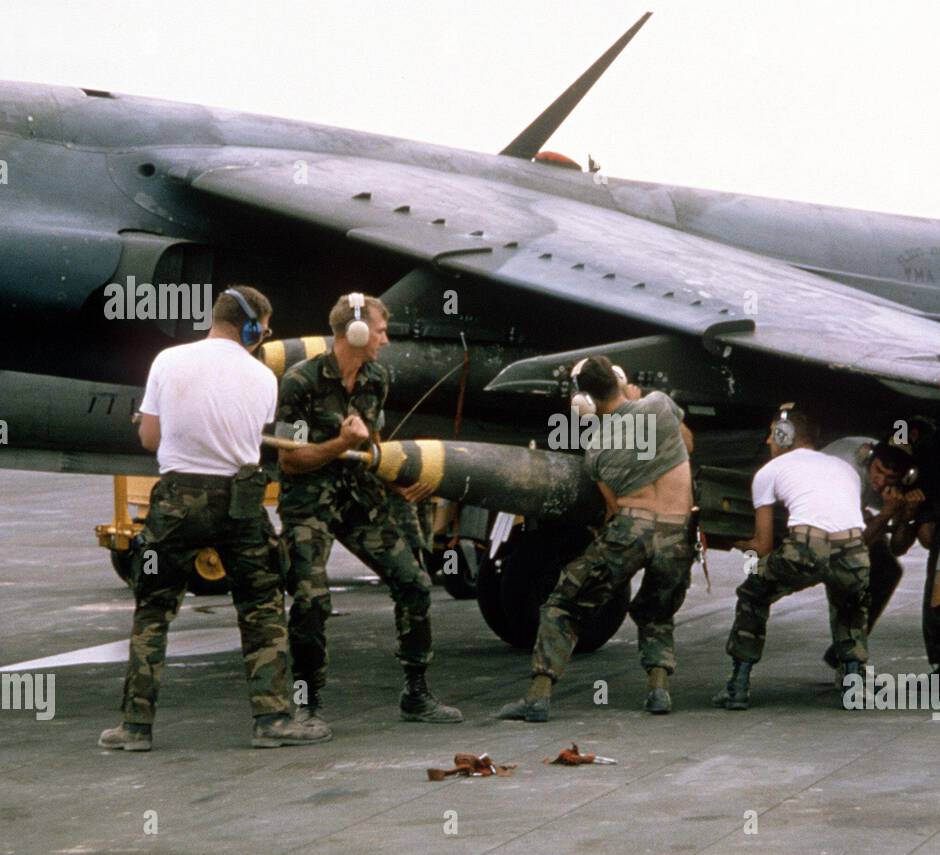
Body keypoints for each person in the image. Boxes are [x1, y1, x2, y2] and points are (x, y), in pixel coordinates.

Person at [100, 285, 330, 751]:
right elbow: (255, 432)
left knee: (153, 612)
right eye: (263, 330)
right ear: (251, 327)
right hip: (240, 502)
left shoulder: (167, 360)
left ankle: (134, 728)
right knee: (262, 608)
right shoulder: (264, 376)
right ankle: (273, 720)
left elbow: (149, 438)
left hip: (177, 499)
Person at [277, 293, 461, 732]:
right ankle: (307, 703)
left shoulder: (376, 377)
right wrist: (340, 444)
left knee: (414, 583)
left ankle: (416, 693)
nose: (385, 339)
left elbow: (373, 443)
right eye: (380, 331)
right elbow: (289, 460)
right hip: (309, 502)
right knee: (310, 601)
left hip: (358, 495)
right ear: (355, 332)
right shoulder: (300, 382)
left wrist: (399, 476)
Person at [498, 356, 695, 722]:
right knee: (656, 610)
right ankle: (658, 691)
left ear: (584, 399)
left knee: (562, 606)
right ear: (619, 382)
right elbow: (688, 443)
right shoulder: (659, 404)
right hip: (678, 530)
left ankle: (538, 697)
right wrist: (640, 398)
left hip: (632, 527)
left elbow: (611, 508)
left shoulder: (597, 449)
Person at [712, 404, 871, 710]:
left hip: (806, 548)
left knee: (753, 593)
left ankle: (738, 686)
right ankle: (854, 686)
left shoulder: (768, 472)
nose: (768, 442)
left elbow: (762, 545)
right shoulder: (845, 468)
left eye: (772, 436)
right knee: (850, 601)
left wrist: (735, 541)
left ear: (785, 436)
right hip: (854, 551)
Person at [818, 432, 935, 669]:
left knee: (888, 569)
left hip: (853, 518)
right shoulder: (847, 468)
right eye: (878, 472)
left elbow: (898, 548)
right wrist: (884, 514)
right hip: (816, 512)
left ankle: (843, 653)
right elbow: (854, 545)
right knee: (852, 571)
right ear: (868, 459)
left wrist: (906, 516)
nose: (880, 482)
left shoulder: (897, 485)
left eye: (889, 478)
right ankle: (848, 656)